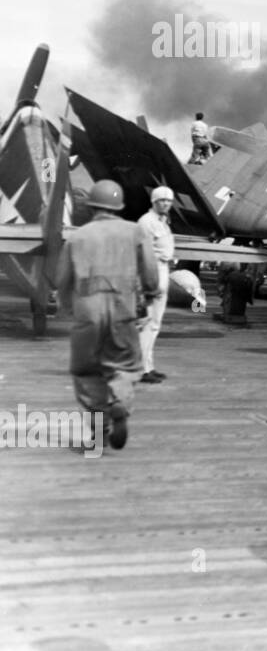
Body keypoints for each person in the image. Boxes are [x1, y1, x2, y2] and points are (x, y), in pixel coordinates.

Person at [54, 179, 160, 451]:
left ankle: (99, 429)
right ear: (118, 207)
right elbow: (150, 272)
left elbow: (63, 281)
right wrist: (149, 296)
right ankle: (120, 404)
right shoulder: (135, 231)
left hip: (88, 313)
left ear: (92, 207)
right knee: (123, 366)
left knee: (87, 372)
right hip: (123, 310)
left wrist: (69, 309)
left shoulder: (77, 237)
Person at [136, 186, 177, 384]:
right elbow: (142, 253)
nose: (166, 204)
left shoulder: (163, 222)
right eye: (162, 200)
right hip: (151, 271)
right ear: (153, 202)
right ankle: (142, 369)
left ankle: (148, 366)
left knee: (155, 324)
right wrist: (144, 281)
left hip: (162, 270)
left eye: (169, 201)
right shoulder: (146, 222)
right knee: (147, 324)